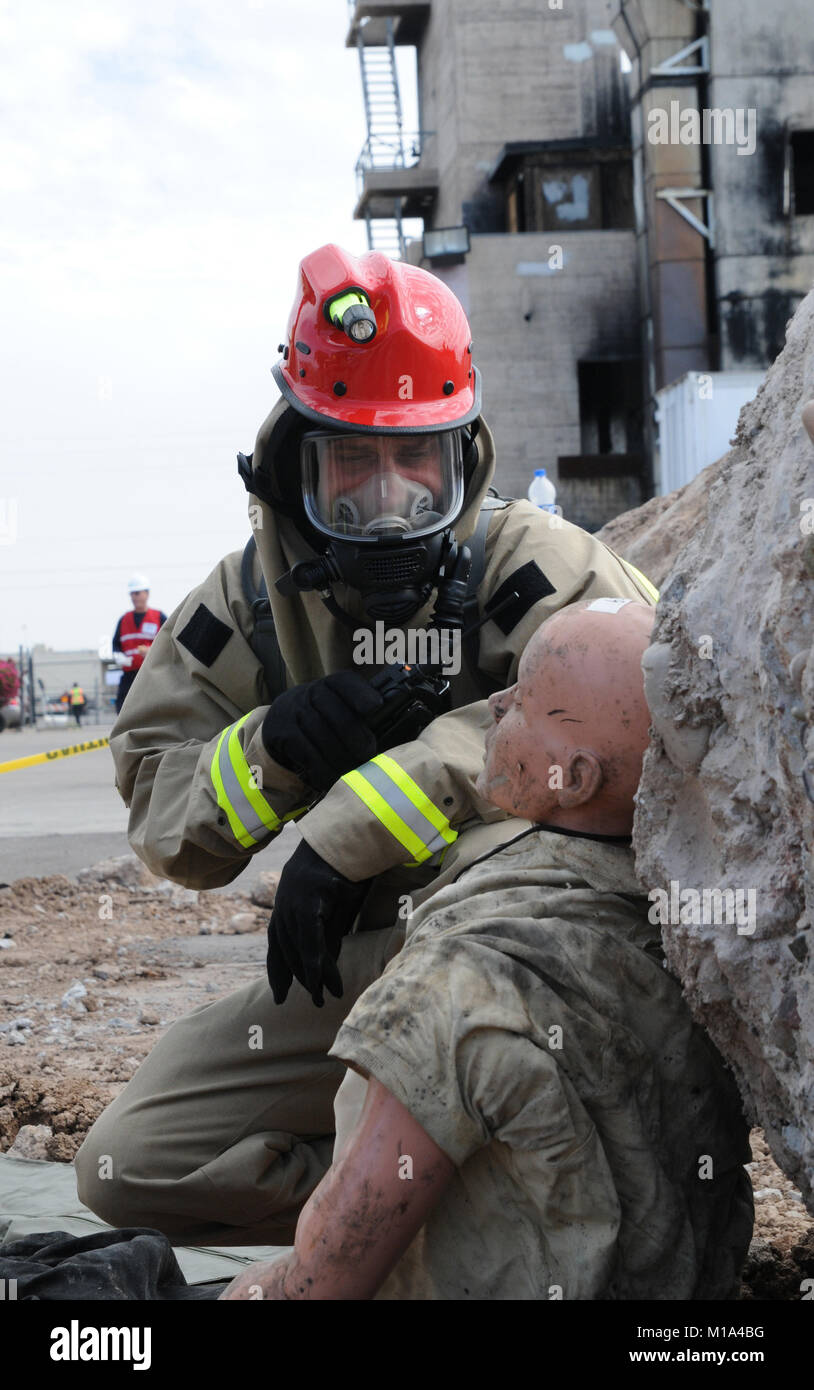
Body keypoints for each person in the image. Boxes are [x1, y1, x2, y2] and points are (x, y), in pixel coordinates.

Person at [75, 244, 658, 1240]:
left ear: (461, 458)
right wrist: (271, 748)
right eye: (351, 464)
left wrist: (350, 824)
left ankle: (475, 1188)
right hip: (372, 964)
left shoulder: (540, 569)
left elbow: (644, 720)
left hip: (537, 956)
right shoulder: (246, 605)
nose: (387, 500)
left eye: (415, 465)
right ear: (294, 459)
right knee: (129, 1164)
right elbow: (165, 820)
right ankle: (411, 1214)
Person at [217, 600, 753, 1300]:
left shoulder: (460, 978)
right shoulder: (690, 929)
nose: (495, 704)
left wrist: (248, 1289)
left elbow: (320, 1285)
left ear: (578, 779)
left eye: (525, 701)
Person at [112, 575, 166, 714]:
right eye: (132, 594)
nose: (134, 597)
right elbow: (116, 644)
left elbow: (169, 642)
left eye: (137, 593)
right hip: (129, 674)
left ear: (146, 594)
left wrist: (152, 651)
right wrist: (119, 657)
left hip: (150, 673)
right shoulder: (124, 620)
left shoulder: (158, 617)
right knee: (123, 707)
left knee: (152, 708)